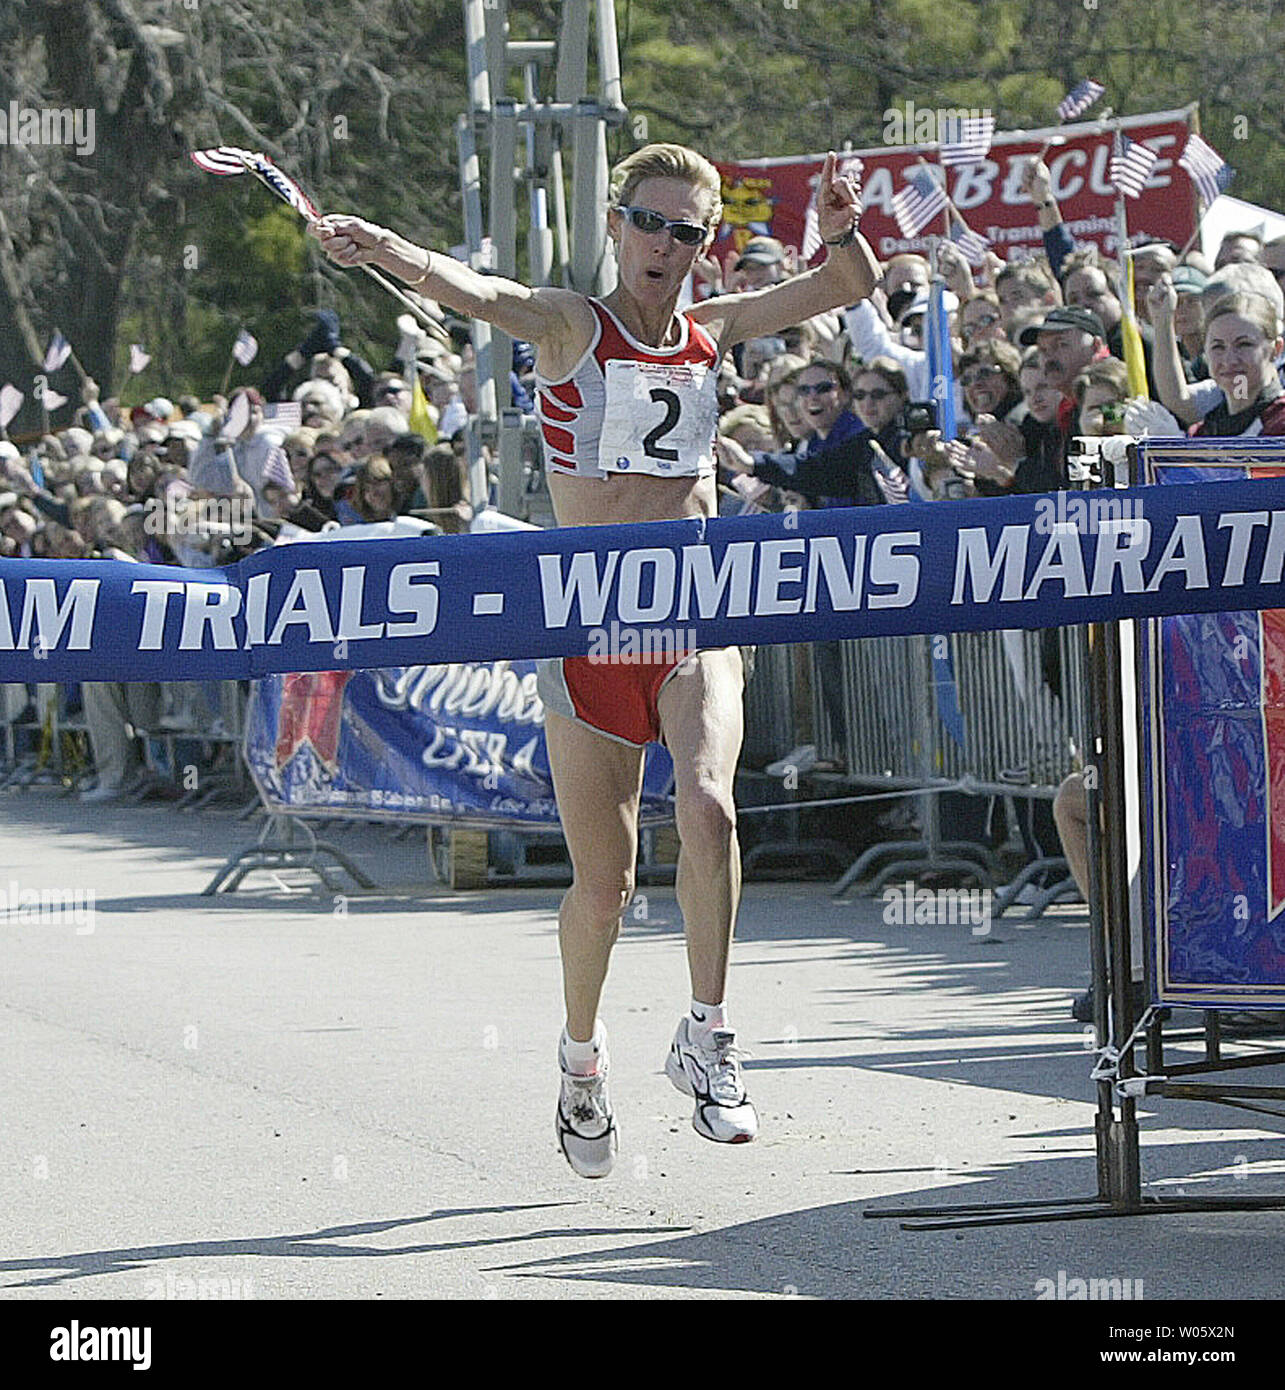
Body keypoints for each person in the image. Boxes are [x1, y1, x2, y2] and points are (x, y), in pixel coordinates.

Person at [312, 141, 876, 1178]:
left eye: (687, 231)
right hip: (587, 629)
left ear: (706, 245)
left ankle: (707, 1036)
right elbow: (471, 288)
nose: (665, 245)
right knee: (604, 887)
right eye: (649, 223)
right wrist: (377, 245)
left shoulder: (714, 330)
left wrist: (838, 221)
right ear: (616, 225)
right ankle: (580, 1061)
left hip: (690, 615)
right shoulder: (575, 322)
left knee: (708, 808)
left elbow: (844, 286)